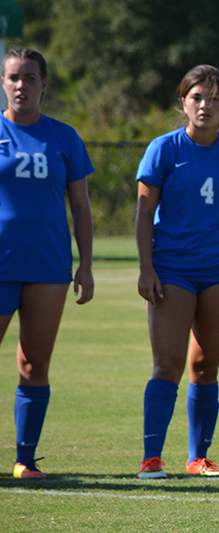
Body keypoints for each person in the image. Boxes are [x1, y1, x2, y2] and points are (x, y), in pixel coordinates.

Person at [134, 65, 219, 479]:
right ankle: (151, 458)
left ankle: (199, 458)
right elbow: (143, 213)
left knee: (206, 366)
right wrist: (146, 268)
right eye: (197, 97)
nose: (205, 105)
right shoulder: (163, 149)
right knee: (168, 364)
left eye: (214, 99)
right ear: (183, 102)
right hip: (172, 270)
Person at [0, 48, 95, 479]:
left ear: (44, 84)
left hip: (48, 266)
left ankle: (25, 459)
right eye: (14, 77)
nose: (22, 85)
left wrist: (86, 264)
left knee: (34, 364)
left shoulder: (64, 137)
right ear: (4, 82)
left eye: (30, 78)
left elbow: (81, 206)